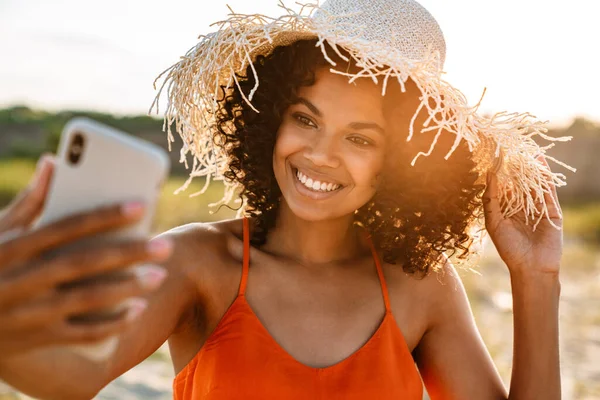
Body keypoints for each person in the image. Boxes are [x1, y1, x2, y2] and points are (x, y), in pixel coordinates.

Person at [0, 0, 572, 399]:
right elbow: (68, 378)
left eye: (360, 139)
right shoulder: (196, 263)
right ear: (269, 118)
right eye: (305, 118)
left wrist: (535, 277)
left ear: (399, 162)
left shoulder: (420, 285)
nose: (321, 155)